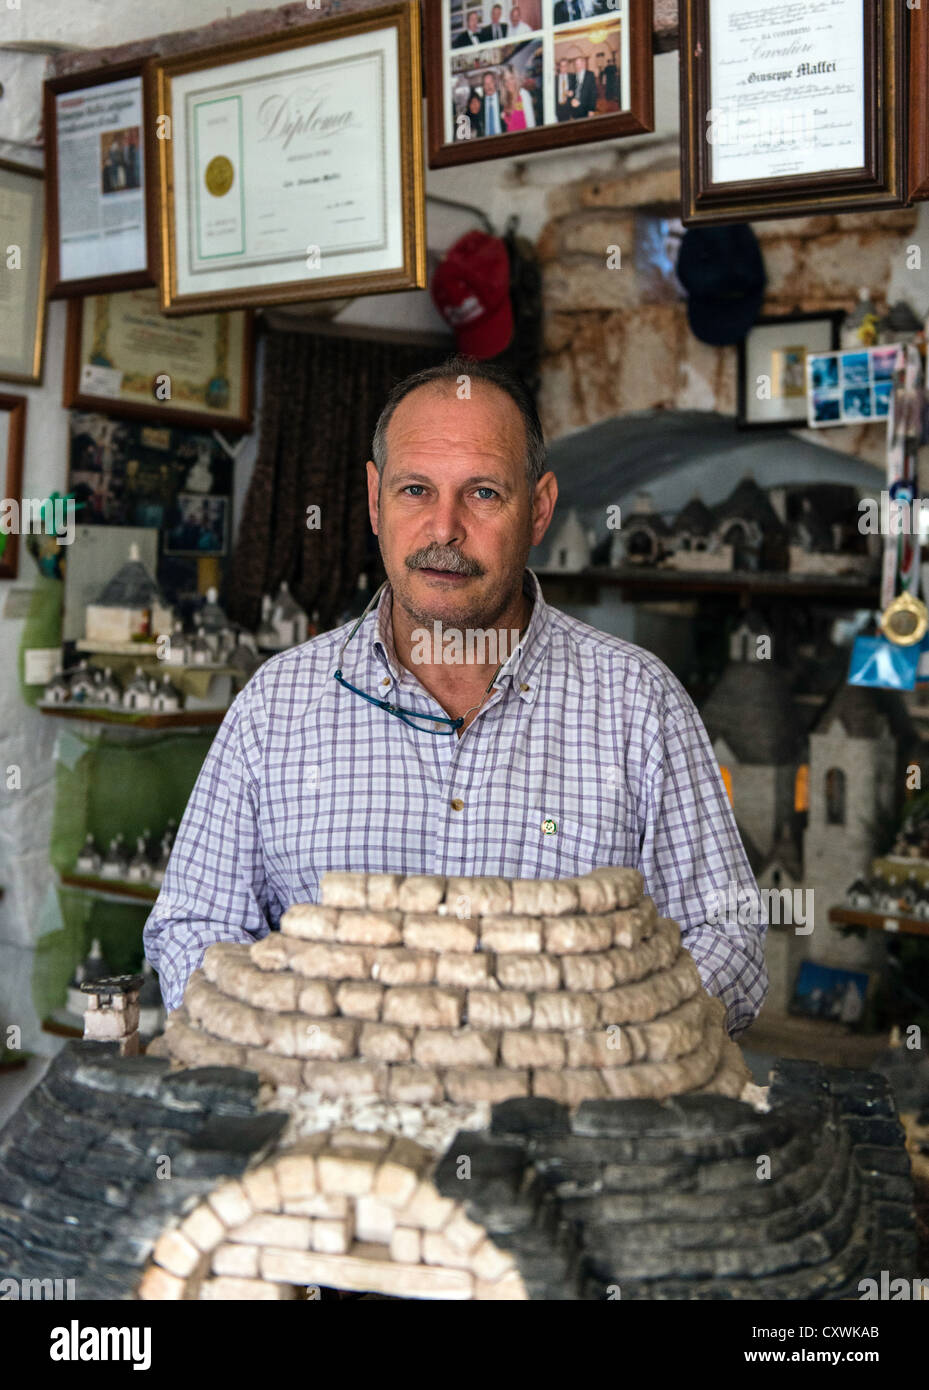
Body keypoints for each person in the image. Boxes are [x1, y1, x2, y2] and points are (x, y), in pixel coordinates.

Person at [144, 356, 768, 1037]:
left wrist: (601, 1040)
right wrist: (298, 1040)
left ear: (539, 509)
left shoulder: (639, 703)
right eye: (415, 490)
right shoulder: (277, 703)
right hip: (325, 1124)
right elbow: (193, 923)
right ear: (375, 498)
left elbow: (726, 934)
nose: (443, 528)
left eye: (482, 494)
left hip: (562, 1123)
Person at [502, 66, 536, 131]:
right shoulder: (505, 98)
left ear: (516, 79)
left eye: (511, 78)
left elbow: (531, 123)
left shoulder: (523, 94)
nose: (508, 83)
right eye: (505, 80)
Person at [478, 70, 504, 135]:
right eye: (485, 83)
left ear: (495, 82)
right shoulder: (480, 103)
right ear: (483, 86)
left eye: (491, 82)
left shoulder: (503, 98)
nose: (489, 86)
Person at [554, 57, 573, 121]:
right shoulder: (555, 79)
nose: (563, 68)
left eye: (565, 66)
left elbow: (577, 89)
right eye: (562, 66)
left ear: (568, 66)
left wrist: (573, 92)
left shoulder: (572, 77)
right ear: (559, 67)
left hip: (568, 107)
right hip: (558, 108)